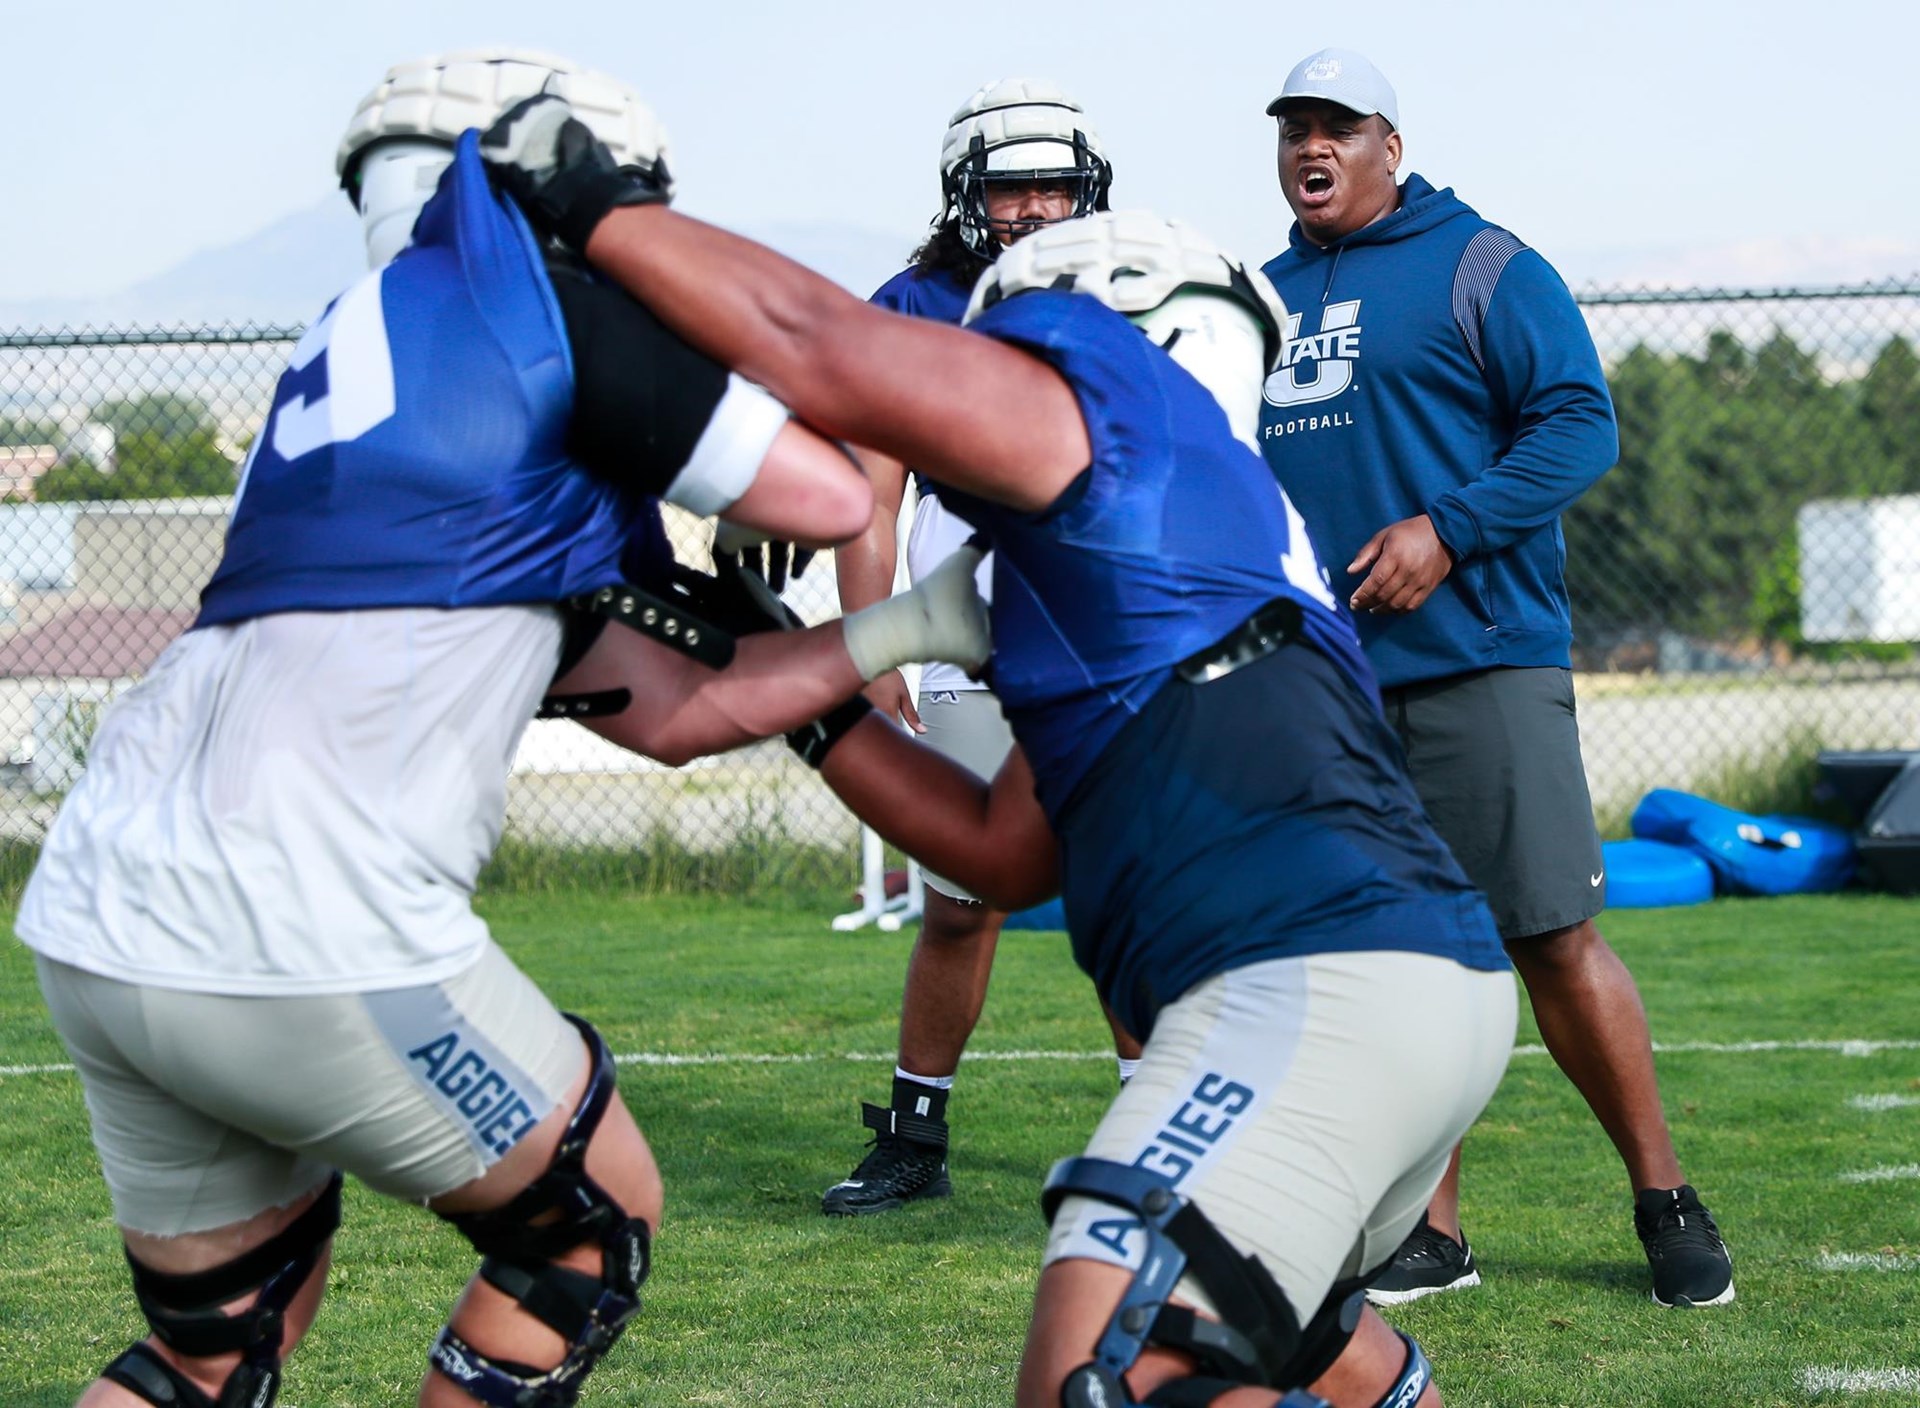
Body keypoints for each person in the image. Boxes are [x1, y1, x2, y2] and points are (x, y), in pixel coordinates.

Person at [481, 92, 1521, 1408]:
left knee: (1102, 1363)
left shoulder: (1123, 439)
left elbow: (819, 345)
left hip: (1307, 991)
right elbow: (1003, 849)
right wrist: (810, 687)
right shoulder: (1178, 543)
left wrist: (593, 218)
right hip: (1412, 991)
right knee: (1299, 1347)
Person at [17, 51, 988, 1408]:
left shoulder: (346, 361)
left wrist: (900, 631)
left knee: (213, 1348)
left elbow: (662, 712)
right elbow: (824, 499)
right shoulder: (537, 313)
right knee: (584, 1234)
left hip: (98, 906)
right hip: (303, 920)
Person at [1255, 48, 1733, 1309]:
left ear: (1389, 145)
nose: (1313, 148)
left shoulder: (1484, 264)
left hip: (1481, 657)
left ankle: (1664, 1197)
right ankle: (1433, 1230)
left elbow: (1581, 423)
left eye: (1338, 128)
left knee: (1554, 938)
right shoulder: (1258, 297)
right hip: (1328, 681)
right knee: (1401, 962)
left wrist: (1447, 528)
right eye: (1295, 128)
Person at [825, 76, 1144, 1219]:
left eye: (1056, 183)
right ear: (967, 193)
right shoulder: (914, 303)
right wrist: (874, 648)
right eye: (1014, 187)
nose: (1037, 207)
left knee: (1124, 891)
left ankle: (1155, 1136)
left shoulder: (1127, 291)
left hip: (1103, 640)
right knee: (960, 900)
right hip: (965, 644)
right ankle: (915, 1135)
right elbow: (870, 491)